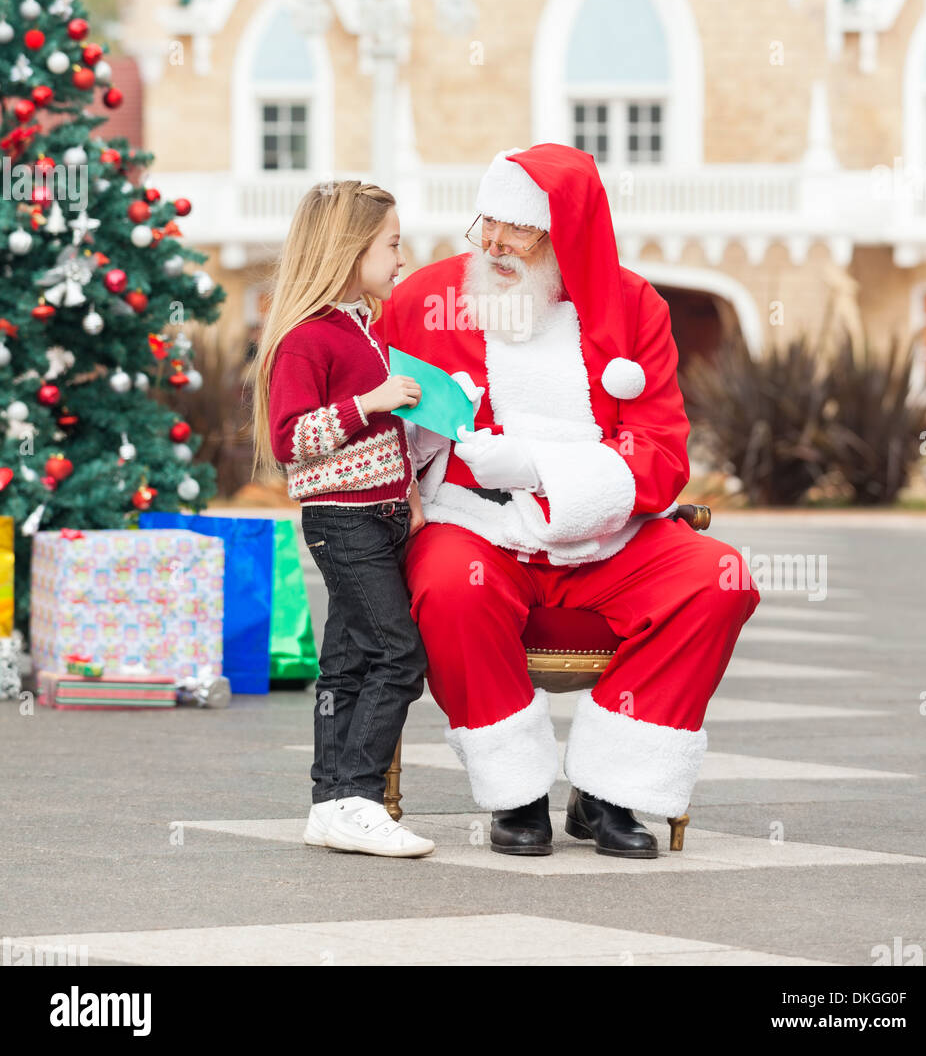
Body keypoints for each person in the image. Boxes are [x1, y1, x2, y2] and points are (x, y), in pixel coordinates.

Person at [374, 144, 760, 859]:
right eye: (485, 221)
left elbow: (663, 452)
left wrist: (543, 468)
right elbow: (377, 419)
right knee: (450, 585)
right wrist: (402, 489)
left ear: (565, 236)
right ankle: (515, 791)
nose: (491, 242)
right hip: (477, 525)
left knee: (719, 578)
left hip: (610, 535)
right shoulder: (424, 299)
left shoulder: (635, 306)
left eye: (514, 229)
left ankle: (610, 789)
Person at [251, 179, 435, 858]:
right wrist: (371, 399)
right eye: (390, 243)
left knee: (349, 661)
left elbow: (388, 436)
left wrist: (409, 496)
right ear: (349, 248)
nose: (402, 256)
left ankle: (329, 801)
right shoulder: (307, 339)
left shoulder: (363, 329)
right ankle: (358, 794)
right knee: (400, 653)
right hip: (343, 520)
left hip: (382, 515)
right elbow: (290, 438)